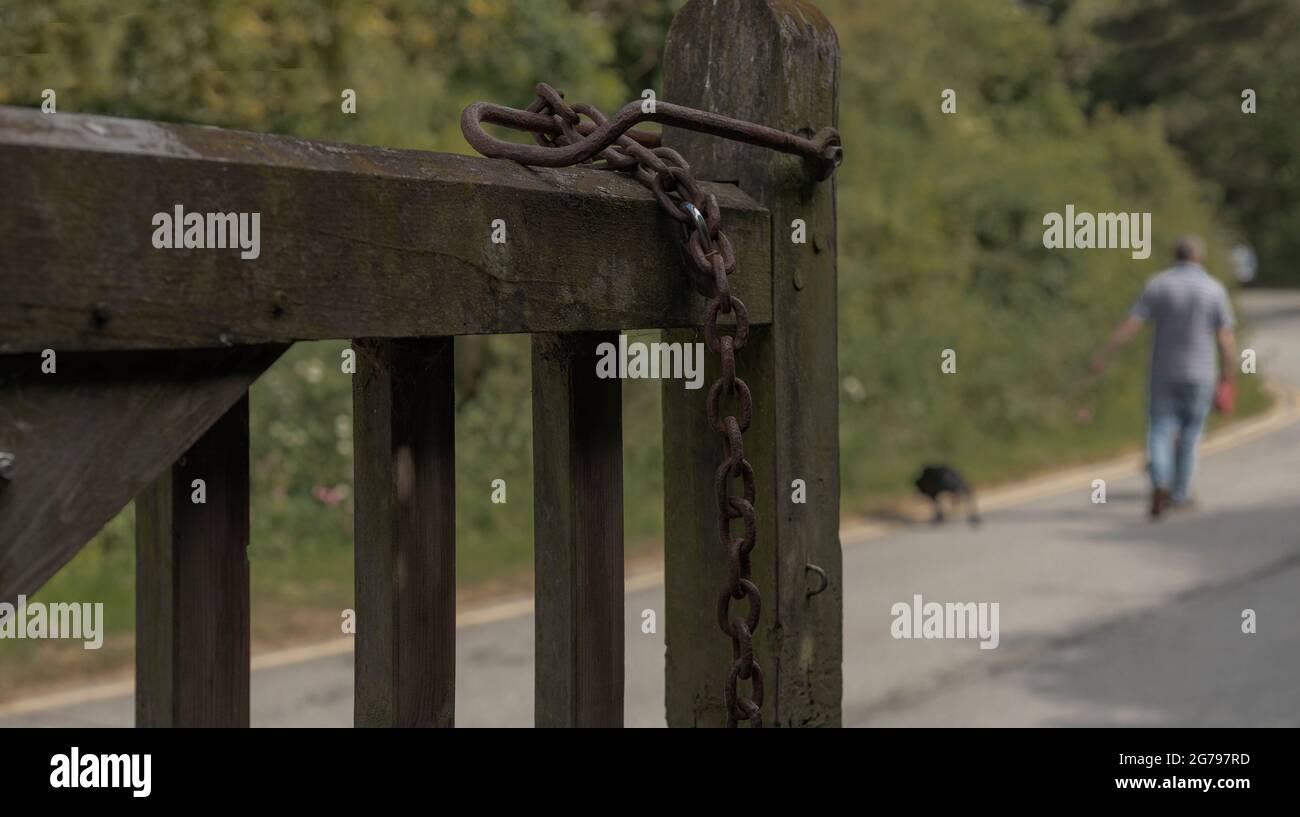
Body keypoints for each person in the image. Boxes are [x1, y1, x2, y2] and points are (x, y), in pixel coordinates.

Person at [1090, 235, 1237, 518]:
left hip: (1163, 372)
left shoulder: (1159, 284)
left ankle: (1159, 483)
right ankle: (1180, 494)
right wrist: (1229, 375)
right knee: (1190, 434)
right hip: (1201, 372)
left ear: (1174, 255)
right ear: (1199, 257)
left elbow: (1132, 324)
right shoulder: (1213, 289)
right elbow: (1225, 338)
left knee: (1159, 429)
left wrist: (1105, 355)